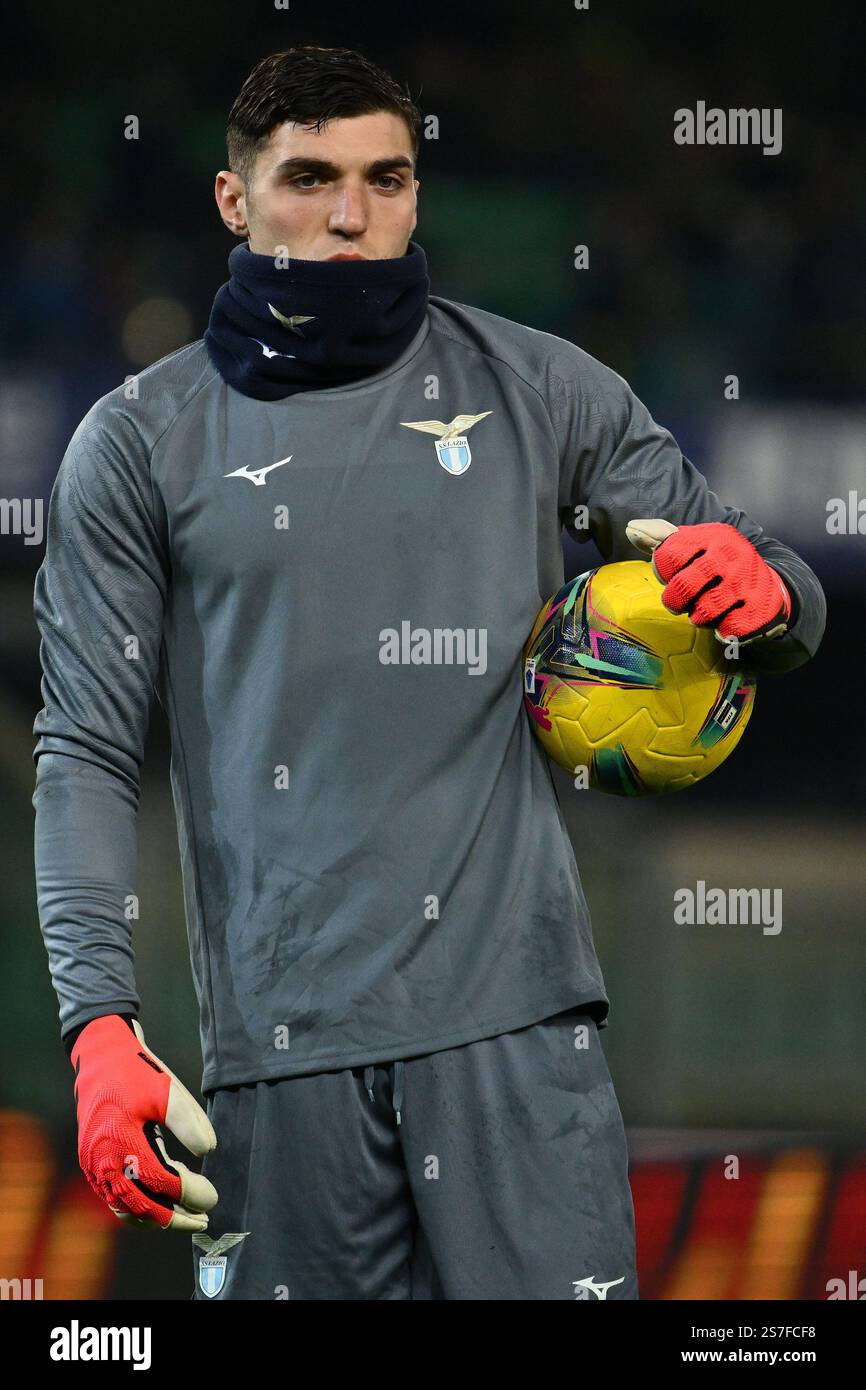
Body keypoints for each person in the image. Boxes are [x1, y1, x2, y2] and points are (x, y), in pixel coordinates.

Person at [32, 45, 826, 1301]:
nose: (351, 213)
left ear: (414, 191)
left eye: (385, 177)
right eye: (309, 177)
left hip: (517, 1042)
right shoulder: (137, 443)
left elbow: (761, 583)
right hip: (278, 1061)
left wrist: (774, 597)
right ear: (235, 202)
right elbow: (80, 748)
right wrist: (96, 1029)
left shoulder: (541, 387)